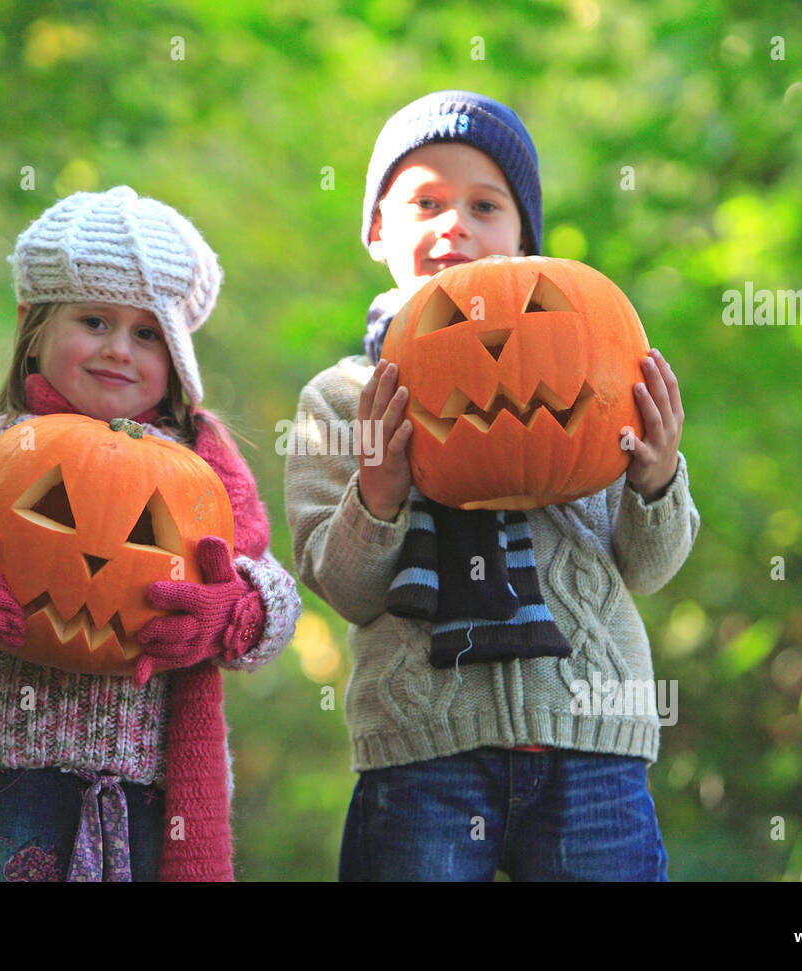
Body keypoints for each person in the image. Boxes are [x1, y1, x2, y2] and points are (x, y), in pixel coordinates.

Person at [284, 91, 699, 881]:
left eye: (484, 204)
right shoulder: (340, 399)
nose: (455, 225)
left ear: (523, 233)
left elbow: (650, 566)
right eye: (426, 202)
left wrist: (656, 478)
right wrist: (377, 492)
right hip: (424, 758)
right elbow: (345, 586)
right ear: (378, 230)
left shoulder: (590, 357)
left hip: (592, 743)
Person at [0, 186, 300, 882]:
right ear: (34, 326)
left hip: (152, 793)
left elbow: (274, 592)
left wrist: (233, 611)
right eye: (94, 320)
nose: (119, 350)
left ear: (176, 357)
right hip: (10, 784)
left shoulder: (194, 477)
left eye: (147, 333)